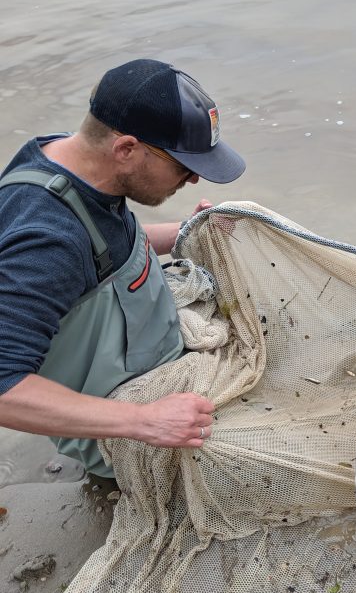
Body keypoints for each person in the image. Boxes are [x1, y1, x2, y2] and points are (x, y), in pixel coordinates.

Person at [0, 59, 247, 478]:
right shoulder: (47, 240)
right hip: (122, 428)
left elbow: (103, 251)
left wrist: (189, 229)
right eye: (184, 166)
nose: (192, 181)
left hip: (156, 356)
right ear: (126, 149)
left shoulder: (70, 161)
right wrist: (145, 421)